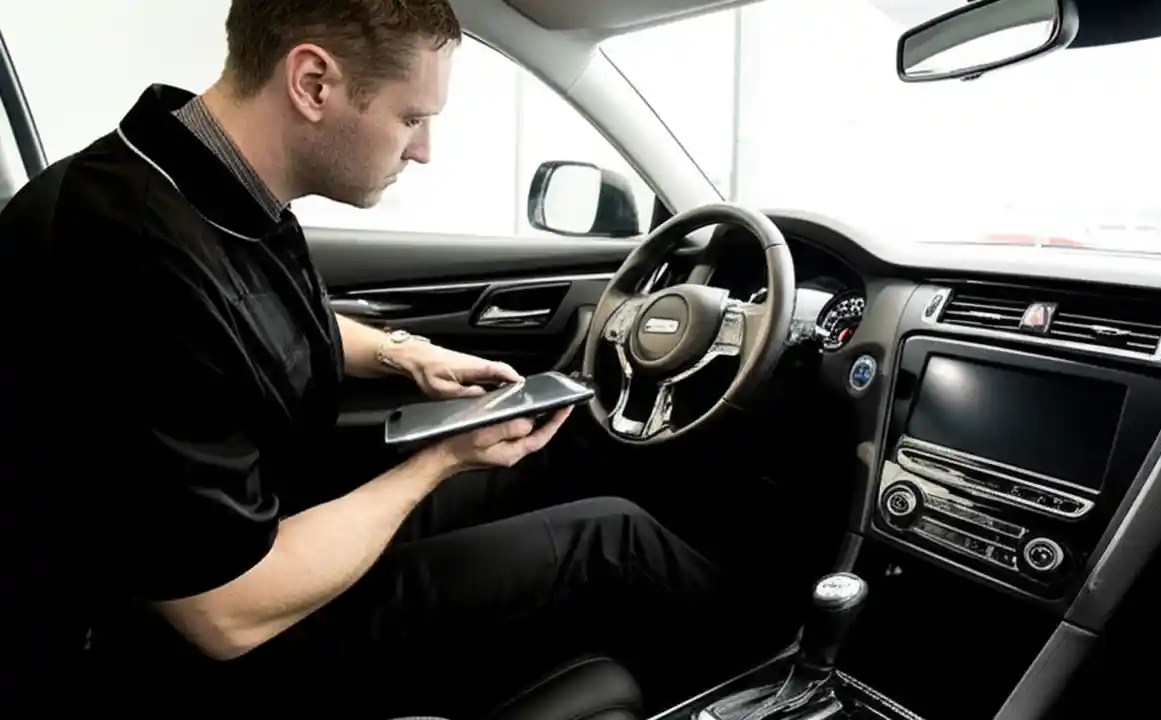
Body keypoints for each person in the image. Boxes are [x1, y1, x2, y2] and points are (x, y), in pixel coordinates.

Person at [0, 1, 733, 716]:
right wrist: (440, 460)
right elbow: (223, 612)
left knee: (553, 452)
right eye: (411, 118)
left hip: (261, 534)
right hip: (183, 654)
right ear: (313, 84)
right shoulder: (129, 260)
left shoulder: (192, 179)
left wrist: (403, 354)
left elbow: (264, 313)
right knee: (615, 543)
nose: (422, 150)